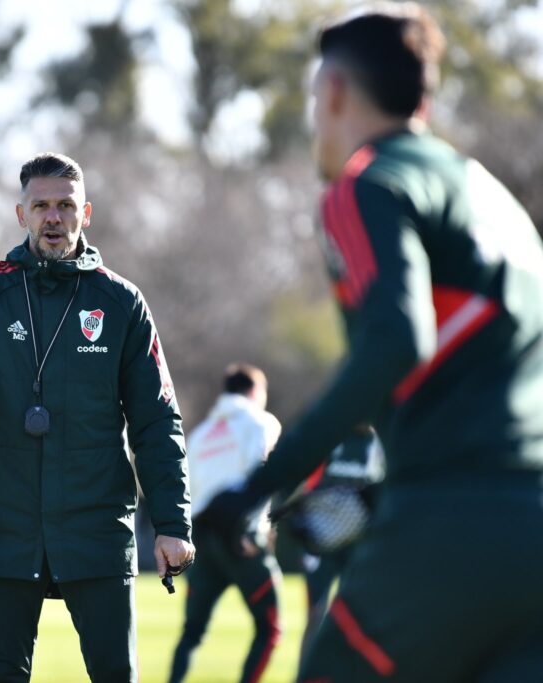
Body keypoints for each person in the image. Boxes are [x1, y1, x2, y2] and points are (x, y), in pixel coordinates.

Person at [206, 4, 543, 681]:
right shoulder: (493, 198)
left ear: (331, 92)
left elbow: (398, 339)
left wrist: (260, 485)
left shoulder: (365, 184)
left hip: (454, 518)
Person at [0, 152, 194, 682]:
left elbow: (157, 420)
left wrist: (172, 522)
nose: (53, 217)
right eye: (41, 205)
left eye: (65, 206)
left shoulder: (122, 303)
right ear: (20, 215)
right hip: (5, 524)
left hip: (97, 526)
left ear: (85, 213)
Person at [168, 364, 282, 683]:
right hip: (240, 539)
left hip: (202, 540)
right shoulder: (262, 422)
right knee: (270, 627)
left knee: (192, 633)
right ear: (255, 392)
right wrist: (255, 528)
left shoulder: (202, 433)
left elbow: (188, 489)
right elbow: (261, 475)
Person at [283, 425, 384, 661]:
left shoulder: (379, 443)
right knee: (315, 613)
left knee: (361, 615)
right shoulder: (330, 438)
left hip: (360, 544)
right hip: (321, 543)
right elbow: (301, 484)